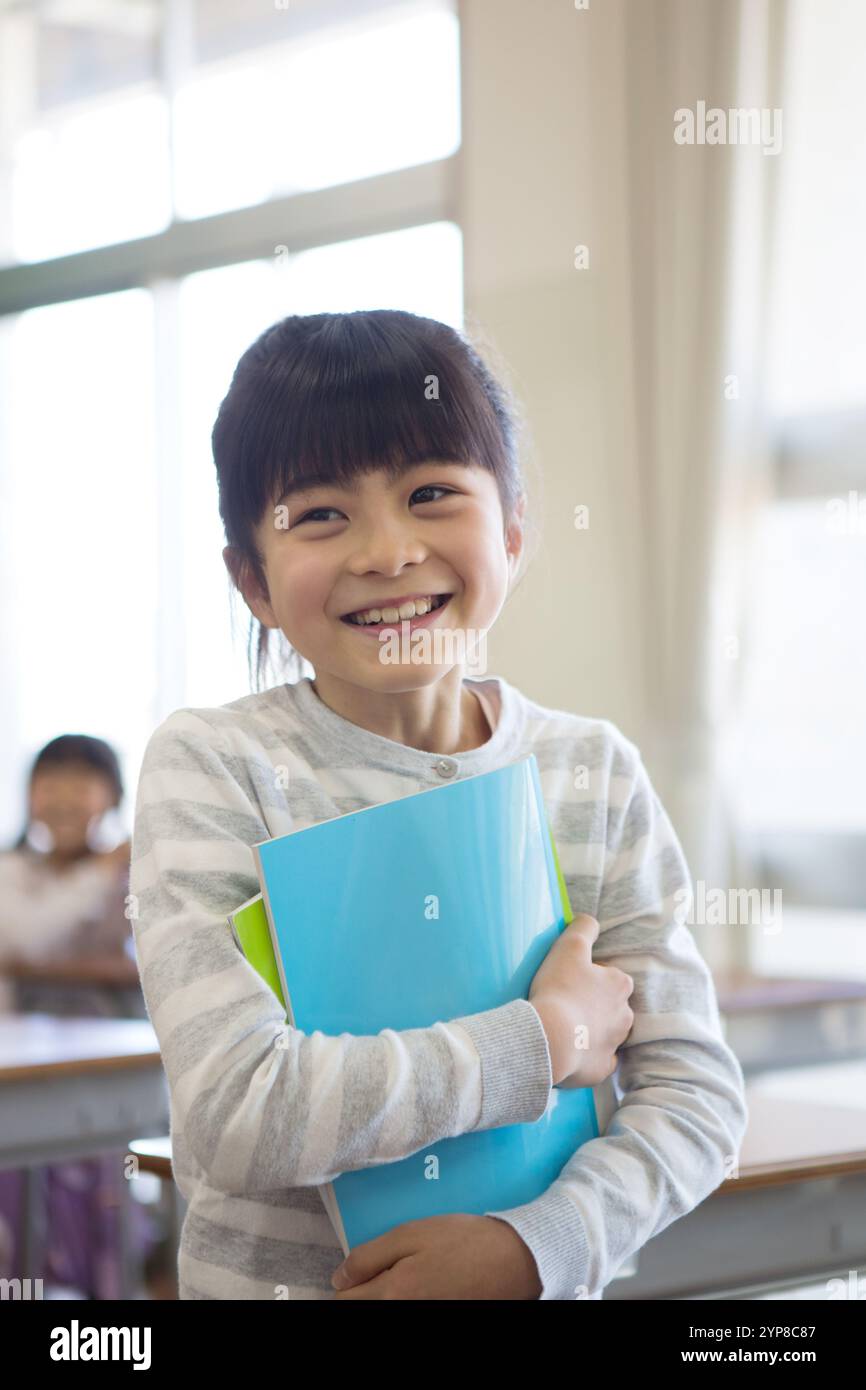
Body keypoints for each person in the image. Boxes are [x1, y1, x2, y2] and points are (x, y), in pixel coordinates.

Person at [129, 309, 748, 1301]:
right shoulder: (215, 765)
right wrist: (541, 1042)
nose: (385, 550)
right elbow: (236, 1109)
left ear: (509, 528)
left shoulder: (587, 767)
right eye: (319, 514)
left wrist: (533, 1247)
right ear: (250, 578)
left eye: (430, 493)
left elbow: (696, 1096)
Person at [0, 735, 162, 1298]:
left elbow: (152, 965)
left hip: (108, 1074)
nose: (64, 797)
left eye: (81, 782)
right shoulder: (15, 869)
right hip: (28, 1074)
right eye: (50, 782)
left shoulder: (138, 872)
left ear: (112, 796)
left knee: (100, 1189)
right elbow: (27, 943)